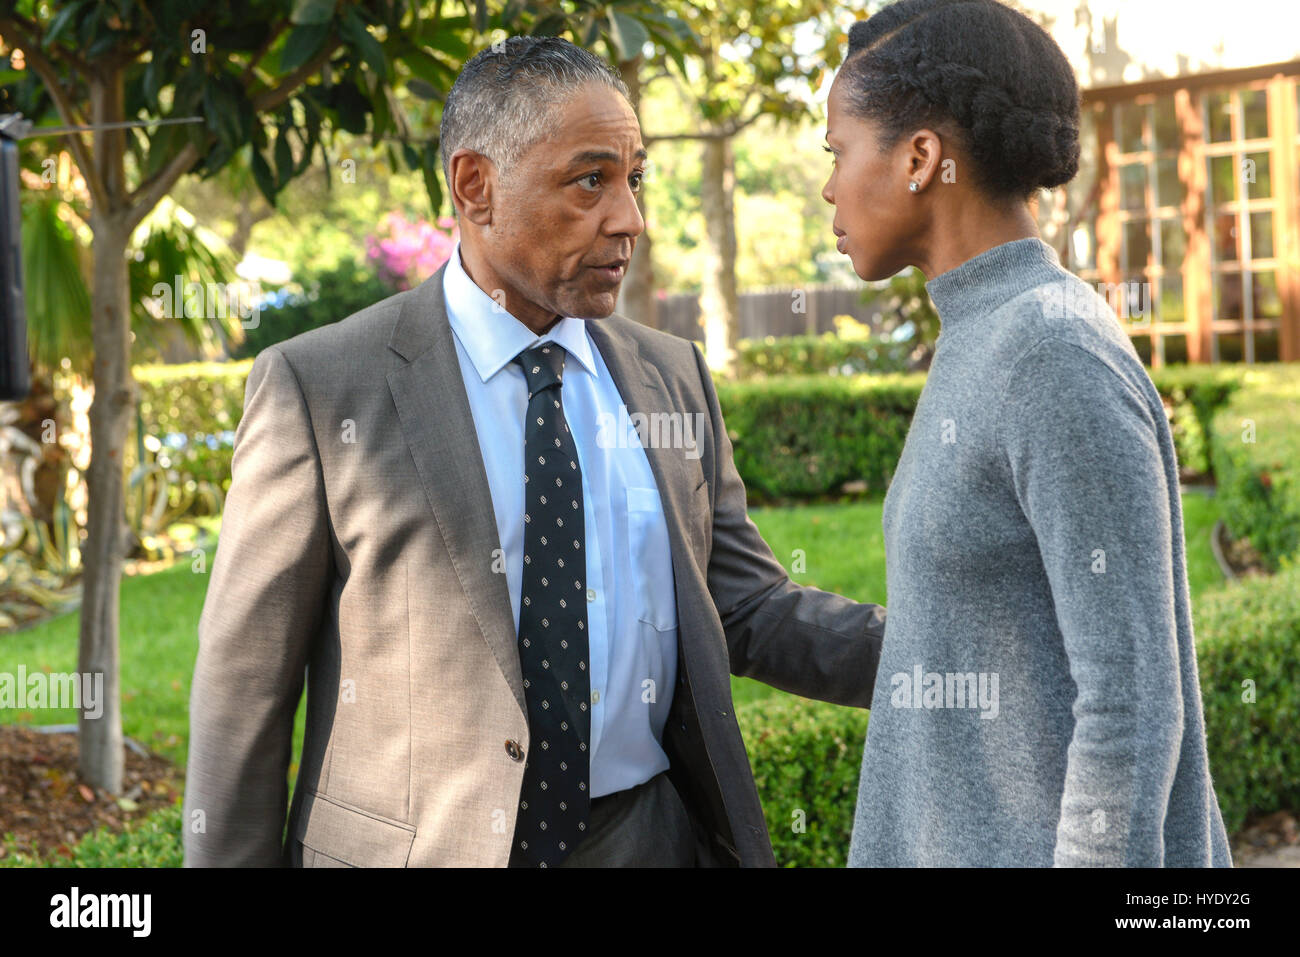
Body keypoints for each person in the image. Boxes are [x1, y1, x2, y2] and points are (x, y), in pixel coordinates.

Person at [183, 35, 887, 869]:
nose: (628, 217)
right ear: (475, 186)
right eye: (591, 180)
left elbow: (743, 606)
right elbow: (243, 692)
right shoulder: (321, 388)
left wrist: (956, 656)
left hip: (648, 842)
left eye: (634, 179)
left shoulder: (670, 376)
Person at [821, 0, 1232, 866]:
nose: (828, 186)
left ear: (921, 158)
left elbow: (1128, 699)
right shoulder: (983, 330)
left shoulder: (1051, 350)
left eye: (838, 151)